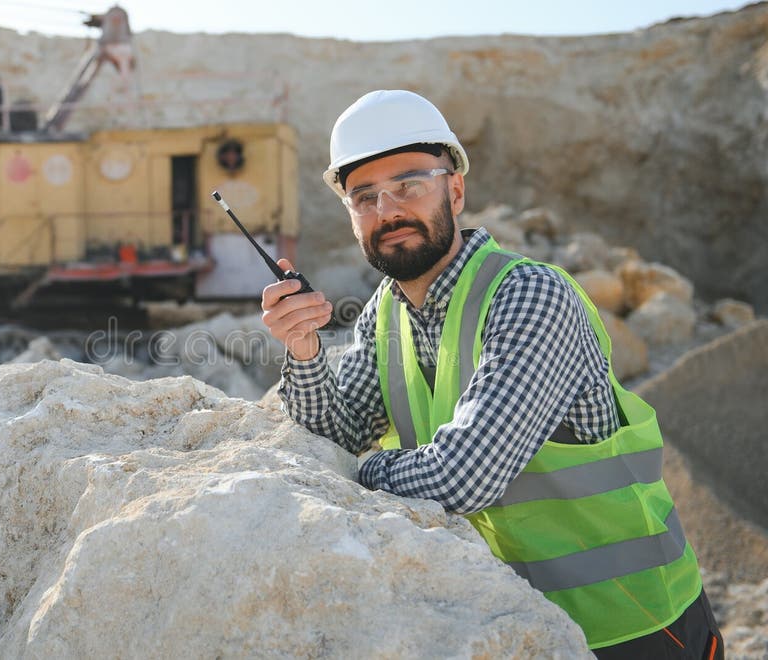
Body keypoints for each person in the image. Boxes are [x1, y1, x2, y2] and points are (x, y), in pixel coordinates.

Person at [262, 89, 723, 658]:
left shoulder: (530, 294)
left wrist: (360, 470)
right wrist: (304, 351)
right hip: (518, 625)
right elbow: (328, 435)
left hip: (636, 626)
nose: (387, 211)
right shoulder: (385, 311)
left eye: (408, 185)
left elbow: (464, 477)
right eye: (364, 197)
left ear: (455, 189)